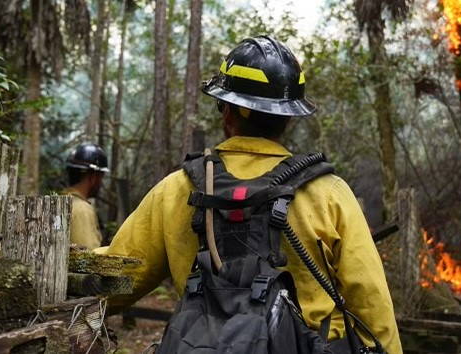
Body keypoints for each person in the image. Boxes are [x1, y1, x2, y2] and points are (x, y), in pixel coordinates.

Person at [103, 35, 402, 353]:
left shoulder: (177, 190)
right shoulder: (330, 195)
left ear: (227, 112)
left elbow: (116, 278)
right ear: (288, 118)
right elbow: (372, 306)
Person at [63, 142, 109, 249]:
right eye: (101, 177)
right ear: (93, 177)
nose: (101, 183)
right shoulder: (82, 210)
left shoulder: (62, 201)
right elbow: (87, 254)